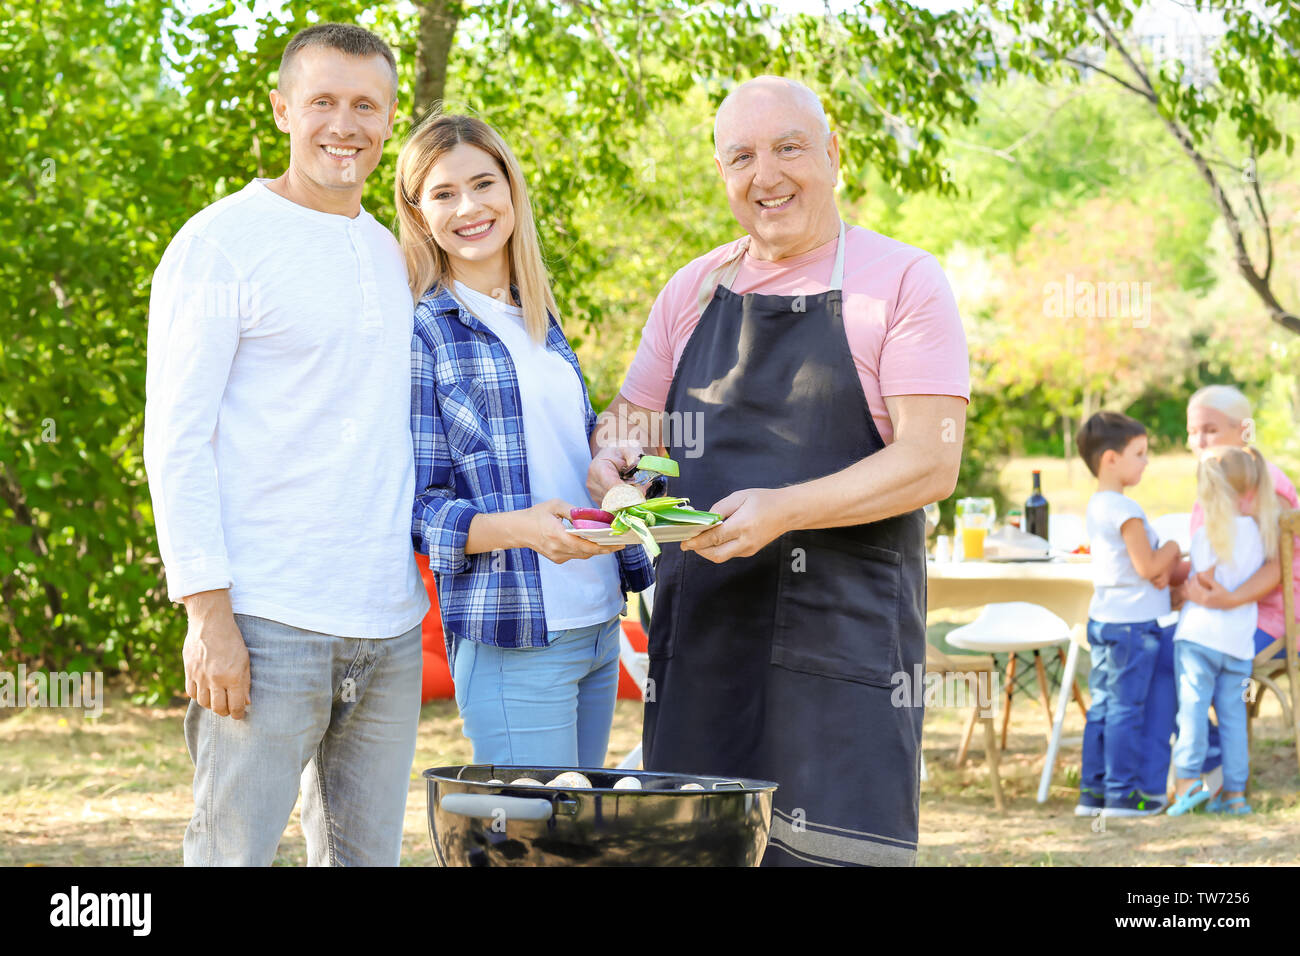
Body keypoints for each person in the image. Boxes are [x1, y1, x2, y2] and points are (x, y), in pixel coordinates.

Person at [588, 76, 969, 866]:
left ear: (833, 154)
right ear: (723, 173)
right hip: (705, 639)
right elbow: (629, 421)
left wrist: (785, 510)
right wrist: (613, 460)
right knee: (697, 851)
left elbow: (931, 461)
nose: (767, 175)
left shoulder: (902, 281)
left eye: (789, 148)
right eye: (743, 156)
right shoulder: (692, 289)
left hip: (847, 640)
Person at [143, 24, 429, 865]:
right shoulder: (220, 242)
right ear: (282, 110)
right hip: (266, 623)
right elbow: (177, 438)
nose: (346, 124)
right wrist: (208, 613)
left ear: (387, 119)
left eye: (366, 105)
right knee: (231, 854)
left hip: (389, 625)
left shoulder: (390, 253)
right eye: (323, 103)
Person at [397, 113, 653, 767]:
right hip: (514, 632)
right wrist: (522, 529)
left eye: (484, 183)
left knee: (577, 846)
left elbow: (569, 459)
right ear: (419, 212)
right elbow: (416, 509)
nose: (470, 207)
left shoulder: (539, 319)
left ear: (511, 190)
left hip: (598, 617)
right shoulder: (423, 331)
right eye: (444, 194)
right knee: (535, 852)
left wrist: (613, 469)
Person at [1074, 412, 1180, 817]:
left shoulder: (1097, 505)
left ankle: (1093, 793)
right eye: (1139, 453)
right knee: (1126, 709)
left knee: (1103, 705)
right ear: (1110, 460)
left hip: (1105, 620)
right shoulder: (1125, 508)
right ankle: (1123, 795)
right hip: (1134, 627)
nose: (1146, 462)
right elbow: (1149, 567)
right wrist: (1171, 548)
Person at [1166, 445, 1279, 816]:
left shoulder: (1210, 533)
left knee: (1193, 709)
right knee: (1234, 718)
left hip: (1199, 638)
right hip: (1238, 644)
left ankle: (1187, 783)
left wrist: (1181, 591)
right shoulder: (1262, 532)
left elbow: (1203, 585)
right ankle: (1235, 796)